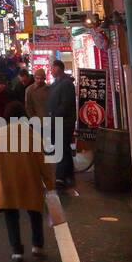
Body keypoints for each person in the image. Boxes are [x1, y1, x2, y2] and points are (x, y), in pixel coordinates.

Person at [0, 100, 55, 262]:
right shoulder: (33, 134)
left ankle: (17, 251)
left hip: (7, 181)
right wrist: (50, 184)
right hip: (30, 180)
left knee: (11, 215)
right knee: (35, 212)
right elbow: (43, 163)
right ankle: (37, 246)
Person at [46, 60, 77, 188]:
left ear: (58, 68)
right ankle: (68, 175)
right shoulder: (57, 83)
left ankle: (60, 177)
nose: (51, 70)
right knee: (64, 148)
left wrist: (54, 116)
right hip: (57, 121)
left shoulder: (66, 84)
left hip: (63, 122)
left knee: (61, 149)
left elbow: (65, 105)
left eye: (52, 68)